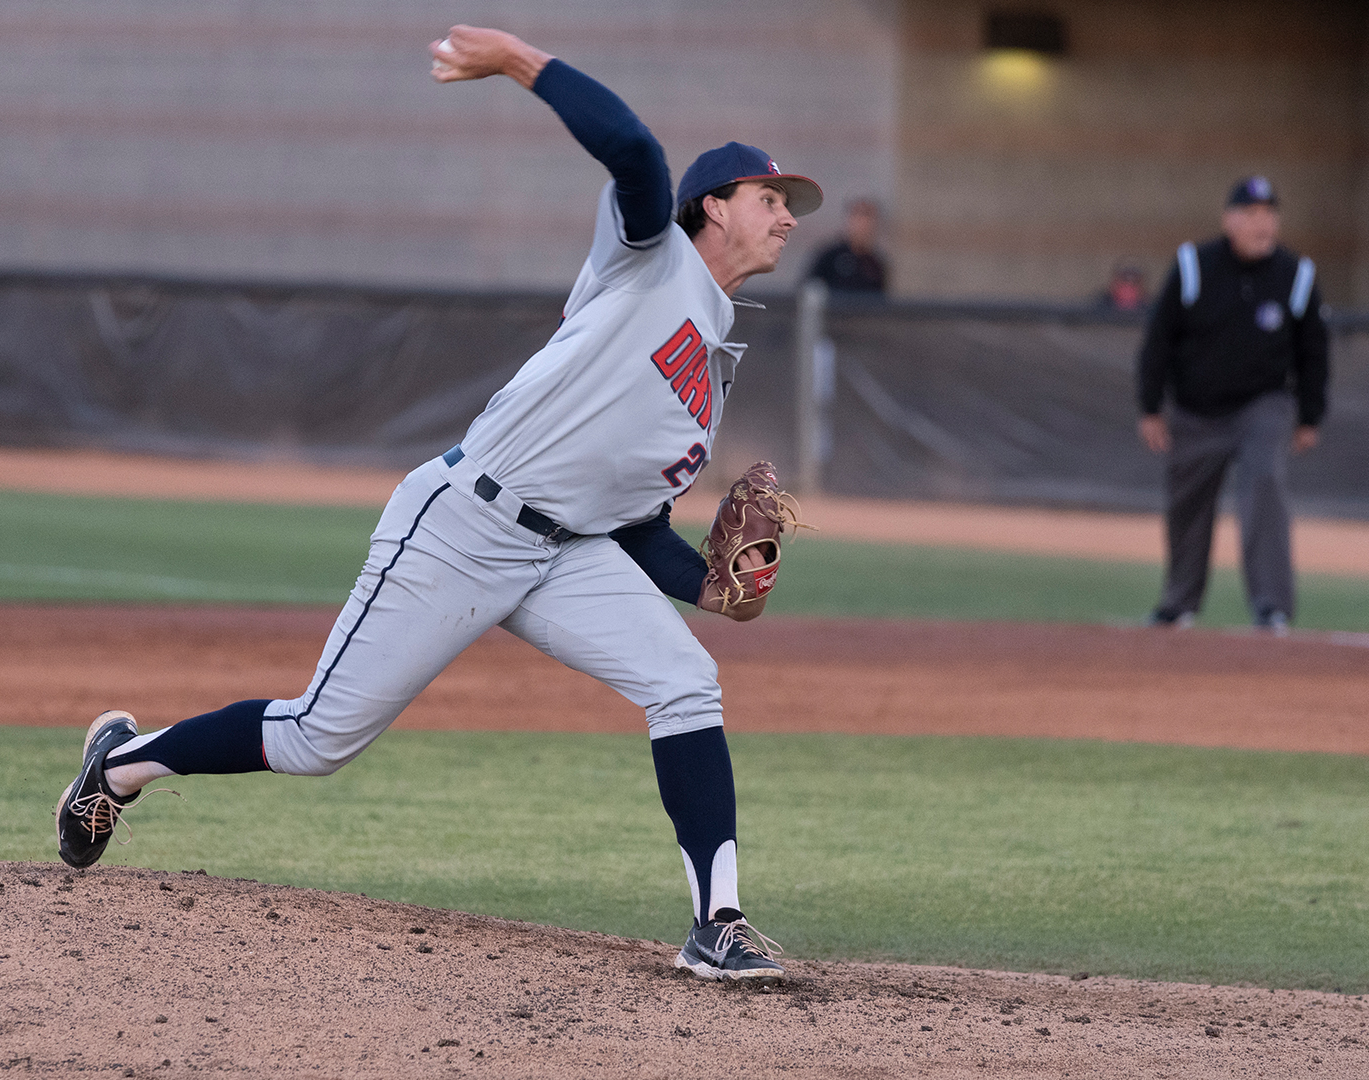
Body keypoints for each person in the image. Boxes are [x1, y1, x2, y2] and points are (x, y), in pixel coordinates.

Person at [52, 25, 821, 984]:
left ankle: (718, 921)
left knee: (686, 683)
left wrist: (712, 589)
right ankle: (121, 764)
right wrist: (517, 62)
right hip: (465, 523)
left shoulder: (711, 369)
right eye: (770, 198)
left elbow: (635, 524)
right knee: (315, 739)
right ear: (714, 206)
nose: (788, 216)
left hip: (566, 552)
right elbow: (635, 153)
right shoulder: (649, 259)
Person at [1136, 175, 1330, 635]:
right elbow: (1159, 339)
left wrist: (1310, 415)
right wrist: (1150, 406)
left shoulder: (1295, 275)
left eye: (1270, 215)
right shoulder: (1193, 266)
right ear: (1230, 220)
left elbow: (1314, 351)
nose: (1263, 225)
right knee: (1187, 503)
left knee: (1264, 483)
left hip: (1263, 406)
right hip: (1195, 409)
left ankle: (1272, 606)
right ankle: (1178, 603)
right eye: (1252, 215)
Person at [807, 197, 888, 294]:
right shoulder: (830, 256)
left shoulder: (875, 264)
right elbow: (810, 289)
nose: (862, 224)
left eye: (867, 217)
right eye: (857, 216)